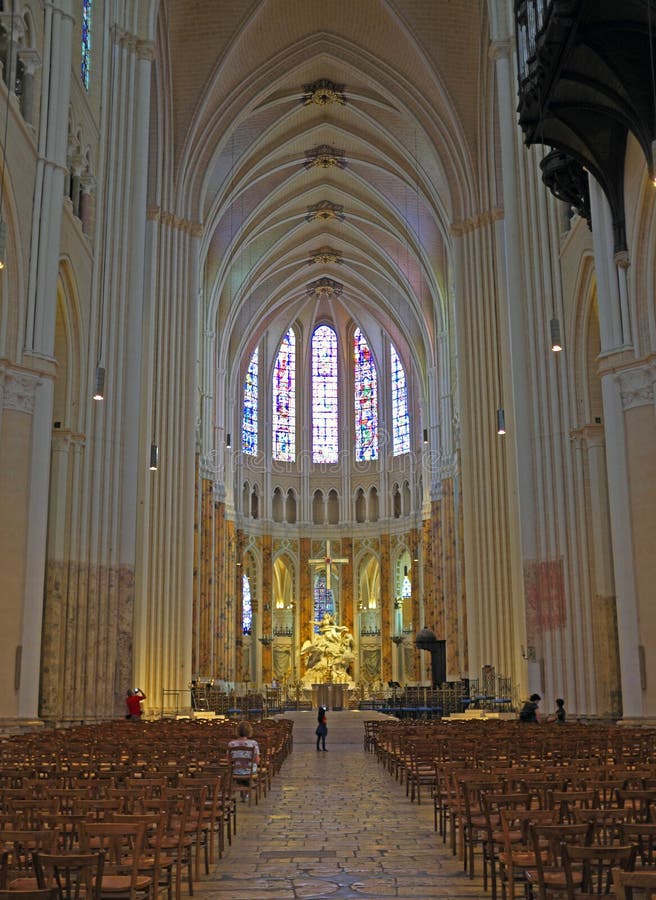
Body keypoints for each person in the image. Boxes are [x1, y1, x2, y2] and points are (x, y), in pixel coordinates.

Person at [227, 721, 260, 801]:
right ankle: (246, 791)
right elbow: (257, 761)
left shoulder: (231, 744)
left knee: (239, 771)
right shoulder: (253, 744)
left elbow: (228, 761)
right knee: (250, 769)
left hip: (235, 771)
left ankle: (243, 790)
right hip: (249, 770)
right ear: (249, 731)